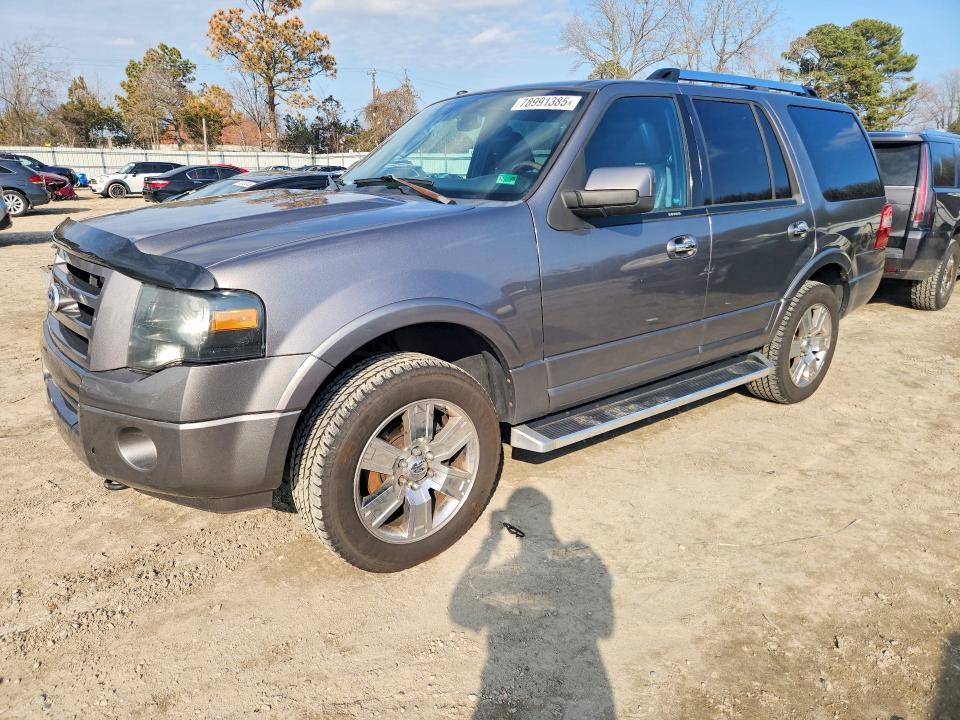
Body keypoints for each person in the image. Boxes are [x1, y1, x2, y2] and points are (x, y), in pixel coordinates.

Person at [450, 487, 615, 719]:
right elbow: (605, 628)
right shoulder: (583, 558)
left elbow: (458, 612)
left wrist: (490, 541)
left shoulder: (511, 573)